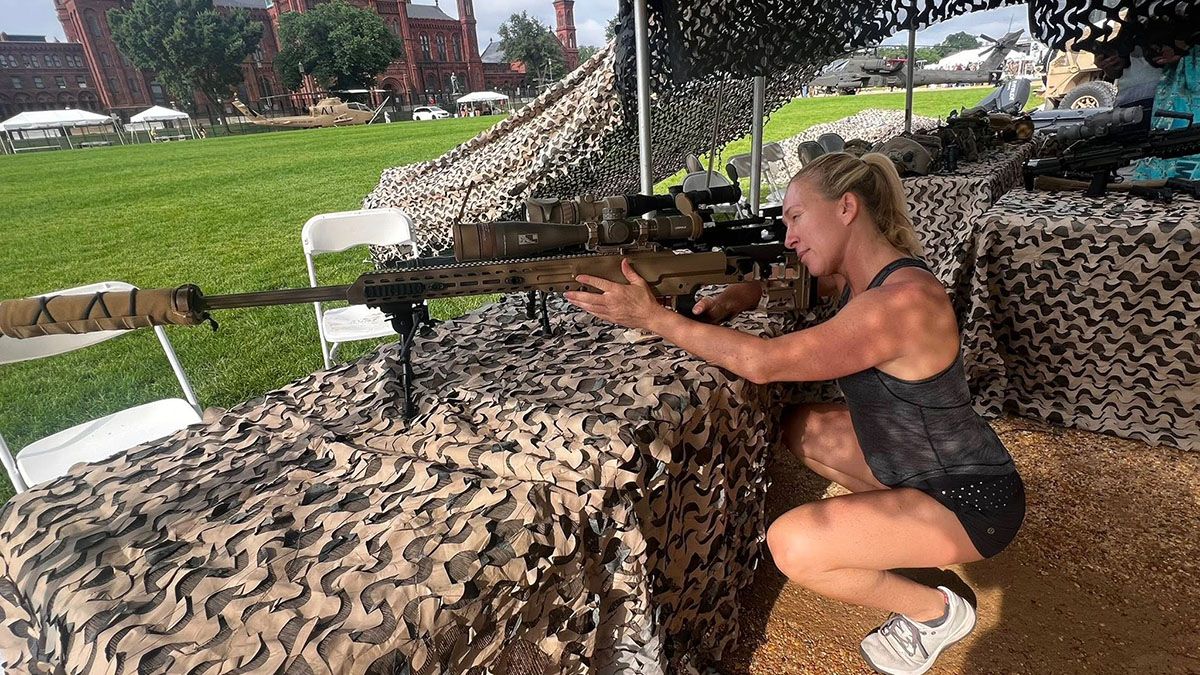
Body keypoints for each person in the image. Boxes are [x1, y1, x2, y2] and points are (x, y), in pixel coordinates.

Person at [565, 152, 1025, 675]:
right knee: (803, 427)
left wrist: (652, 318)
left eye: (796, 217)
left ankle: (936, 614)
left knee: (792, 543)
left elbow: (762, 363)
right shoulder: (875, 275)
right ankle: (891, 527)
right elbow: (812, 286)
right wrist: (740, 295)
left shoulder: (899, 305)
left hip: (971, 500)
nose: (788, 237)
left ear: (846, 208)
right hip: (927, 464)